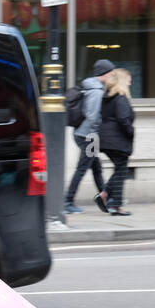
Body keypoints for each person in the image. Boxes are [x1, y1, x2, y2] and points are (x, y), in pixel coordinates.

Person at [65, 58, 114, 213]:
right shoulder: (96, 91)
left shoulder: (90, 86)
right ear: (104, 74)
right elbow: (92, 115)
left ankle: (105, 197)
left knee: (96, 167)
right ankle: (67, 202)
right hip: (88, 136)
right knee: (82, 168)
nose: (112, 76)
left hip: (84, 134)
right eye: (111, 73)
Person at [96, 68, 135, 216]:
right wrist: (130, 132)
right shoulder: (120, 98)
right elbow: (123, 119)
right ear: (122, 81)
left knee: (120, 169)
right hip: (117, 139)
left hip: (107, 139)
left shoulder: (107, 97)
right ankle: (114, 205)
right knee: (122, 169)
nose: (130, 84)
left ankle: (105, 196)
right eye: (129, 81)